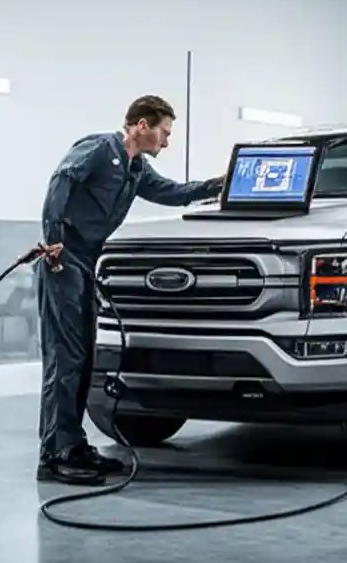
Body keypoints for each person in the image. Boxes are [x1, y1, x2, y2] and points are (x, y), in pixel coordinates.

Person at [33, 95, 224, 484]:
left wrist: (222, 185)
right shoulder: (99, 149)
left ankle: (73, 443)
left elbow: (174, 193)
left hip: (87, 264)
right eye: (164, 133)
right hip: (63, 260)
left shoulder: (137, 169)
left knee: (83, 357)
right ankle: (53, 455)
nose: (166, 142)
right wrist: (53, 241)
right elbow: (62, 180)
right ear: (141, 125)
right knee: (64, 358)